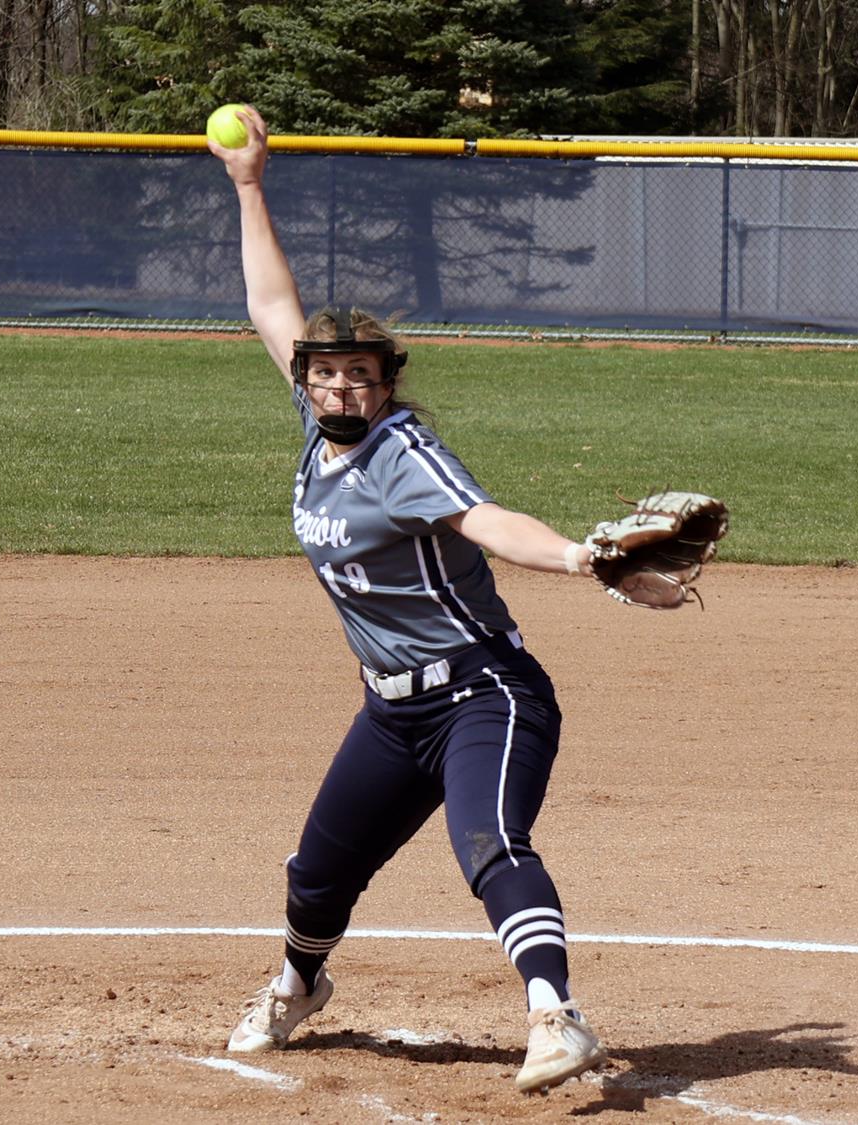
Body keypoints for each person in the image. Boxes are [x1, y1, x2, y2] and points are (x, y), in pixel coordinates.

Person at [208, 106, 607, 1094]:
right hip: (391, 709)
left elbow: (484, 522)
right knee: (315, 876)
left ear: (386, 386)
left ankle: (553, 1016)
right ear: (309, 384)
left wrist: (576, 558)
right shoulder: (317, 433)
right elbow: (269, 303)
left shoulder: (403, 452)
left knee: (490, 844)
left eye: (360, 374)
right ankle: (300, 984)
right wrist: (248, 183)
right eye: (326, 372)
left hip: (485, 693)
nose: (340, 385)